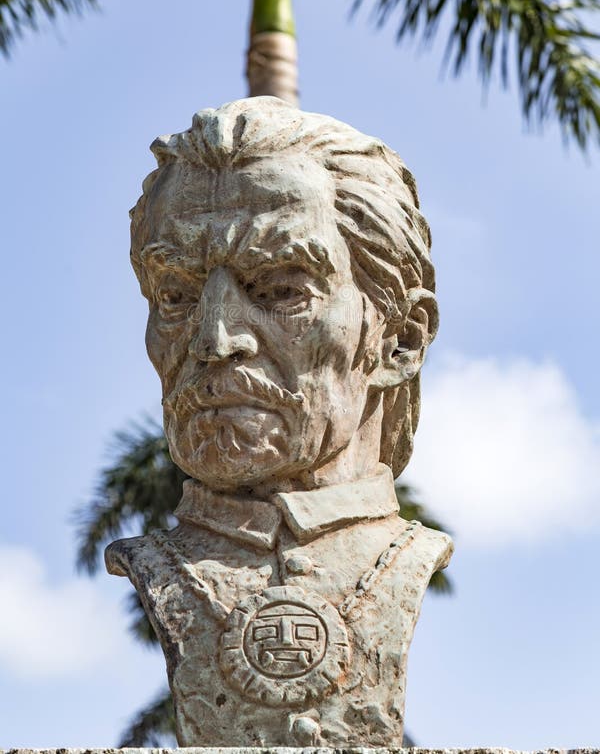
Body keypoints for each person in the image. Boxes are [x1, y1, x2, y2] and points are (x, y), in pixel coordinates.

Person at [106, 96, 452, 746]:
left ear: (400, 338)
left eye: (281, 289)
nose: (214, 339)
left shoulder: (403, 558)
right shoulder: (156, 564)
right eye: (176, 294)